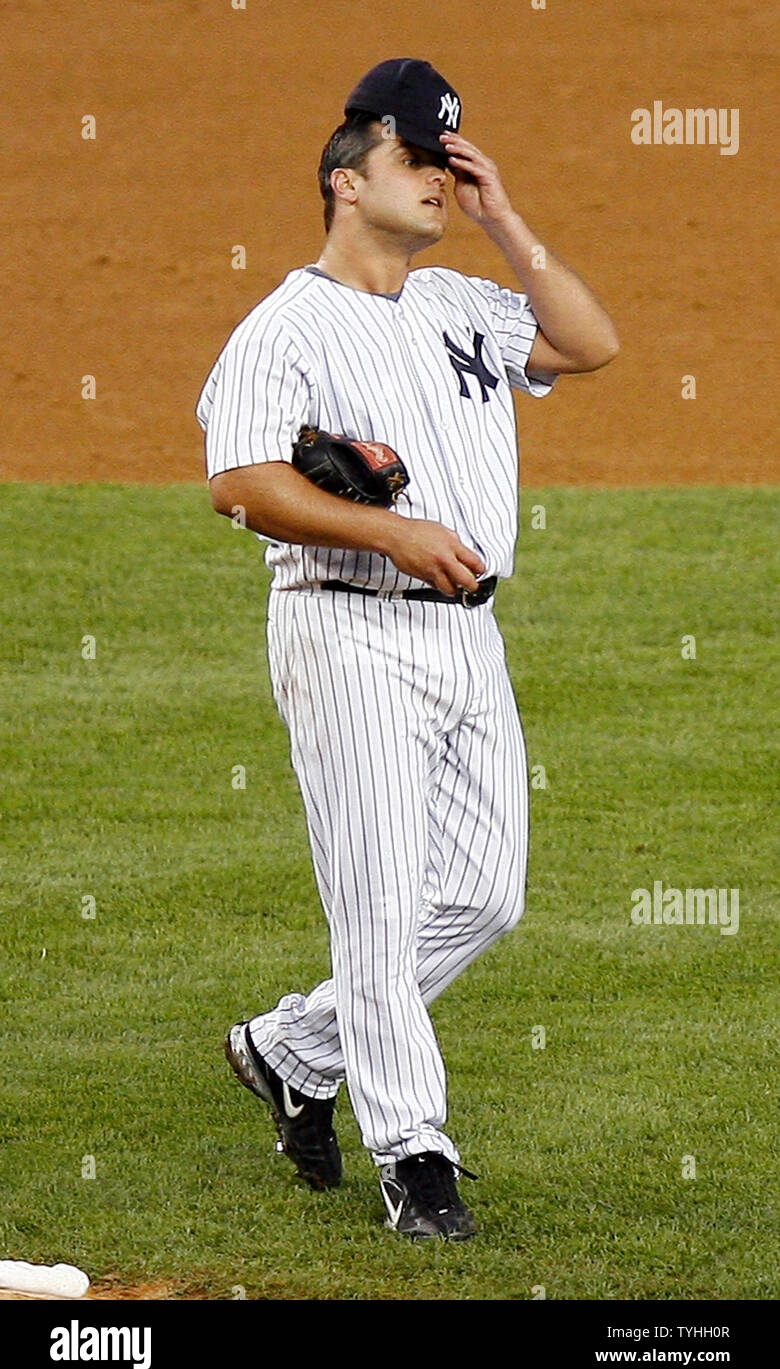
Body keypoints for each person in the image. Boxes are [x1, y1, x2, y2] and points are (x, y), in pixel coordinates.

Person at [196, 58, 618, 1241]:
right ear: (345, 180)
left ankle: (290, 1048)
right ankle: (415, 1159)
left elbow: (590, 344)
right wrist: (388, 528)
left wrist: (504, 216)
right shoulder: (284, 327)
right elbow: (238, 481)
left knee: (483, 897)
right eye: (417, 163)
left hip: (471, 642)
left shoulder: (461, 307)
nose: (439, 180)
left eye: (451, 163)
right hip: (348, 629)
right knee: (378, 905)